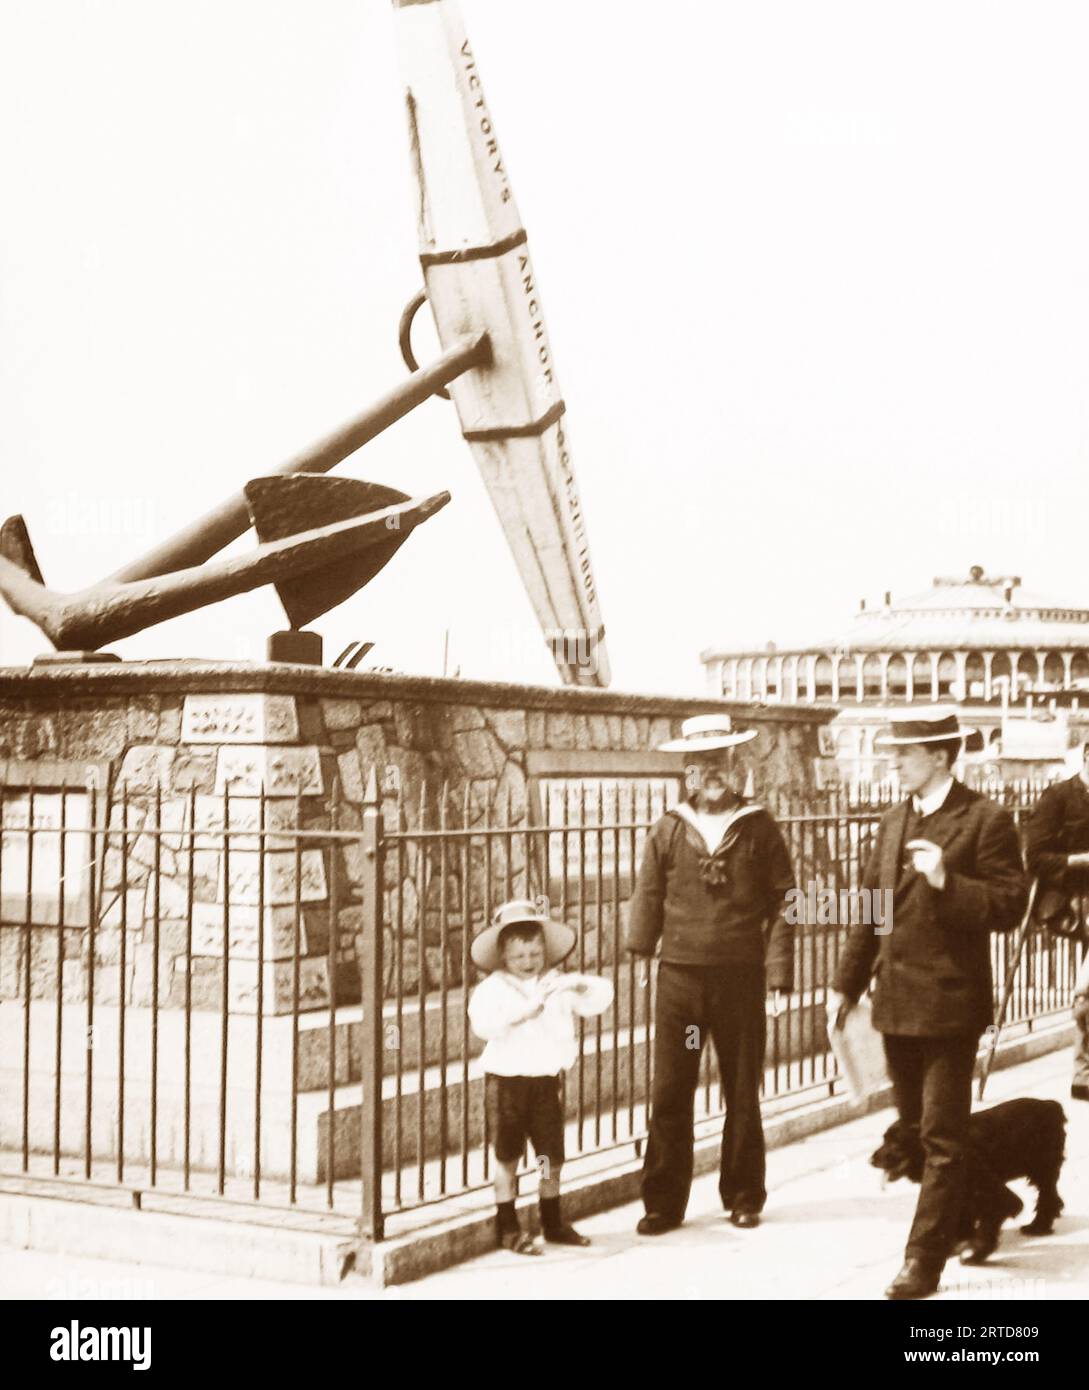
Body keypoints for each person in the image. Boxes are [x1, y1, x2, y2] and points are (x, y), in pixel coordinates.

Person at [829, 708, 1028, 1300]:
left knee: (941, 1137)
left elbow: (1010, 904)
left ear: (939, 756)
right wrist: (844, 985)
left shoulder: (985, 819)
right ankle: (995, 1201)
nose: (892, 762)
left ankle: (923, 1261)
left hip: (950, 1007)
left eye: (902, 754)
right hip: (895, 1004)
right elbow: (871, 908)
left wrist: (948, 881)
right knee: (920, 1133)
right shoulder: (893, 820)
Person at [626, 714, 796, 1234]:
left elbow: (785, 901)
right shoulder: (668, 828)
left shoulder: (760, 827)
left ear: (736, 767)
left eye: (721, 762)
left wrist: (778, 972)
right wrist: (639, 953)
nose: (713, 772)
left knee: (741, 1091)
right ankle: (663, 1203)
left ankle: (744, 1195)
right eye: (701, 764)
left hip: (739, 982)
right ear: (688, 773)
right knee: (672, 1090)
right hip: (680, 984)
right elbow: (649, 893)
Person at [468, 898, 614, 1254]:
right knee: (508, 1155)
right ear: (503, 956)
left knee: (550, 1154)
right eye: (519, 957)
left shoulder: (554, 983)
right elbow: (483, 1025)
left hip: (545, 1082)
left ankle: (552, 1220)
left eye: (534, 953)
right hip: (507, 1083)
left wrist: (575, 984)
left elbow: (599, 999)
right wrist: (521, 1013)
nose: (528, 963)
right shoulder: (493, 989)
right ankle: (509, 1227)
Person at [1024, 738, 1089, 1101]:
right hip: (1070, 900)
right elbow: (1035, 857)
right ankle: (1083, 1067)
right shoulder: (1059, 798)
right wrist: (1082, 860)